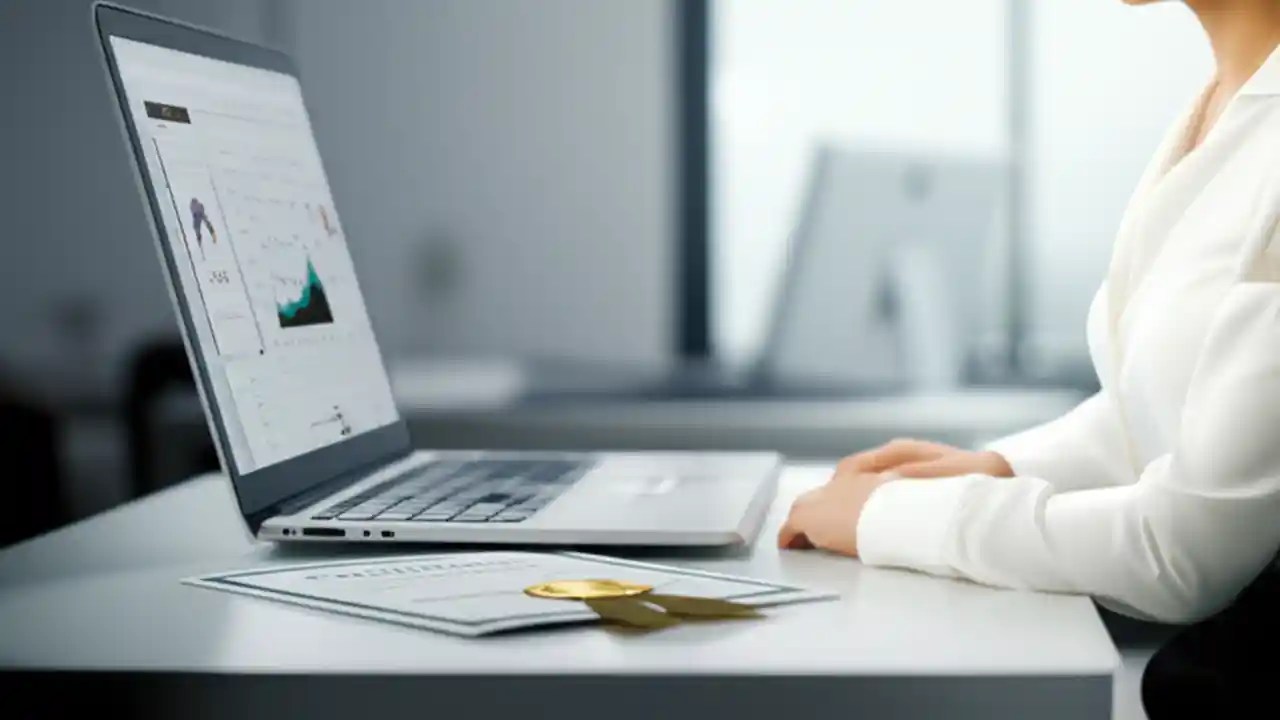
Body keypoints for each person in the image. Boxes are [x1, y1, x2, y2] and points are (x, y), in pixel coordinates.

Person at [778, 0, 1280, 712]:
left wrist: (887, 520)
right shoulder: (1224, 105)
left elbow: (1184, 553)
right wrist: (1006, 466)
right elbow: (1172, 400)